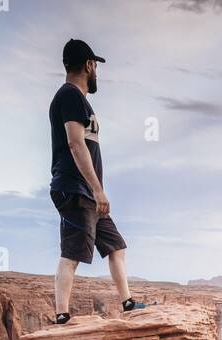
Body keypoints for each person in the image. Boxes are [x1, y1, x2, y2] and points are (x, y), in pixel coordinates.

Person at [48, 38, 149, 325]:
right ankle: (62, 315)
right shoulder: (69, 95)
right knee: (72, 252)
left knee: (116, 245)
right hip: (75, 189)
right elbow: (75, 144)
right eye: (95, 66)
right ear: (89, 65)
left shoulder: (77, 99)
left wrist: (96, 192)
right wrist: (97, 189)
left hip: (88, 193)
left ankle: (127, 302)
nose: (96, 73)